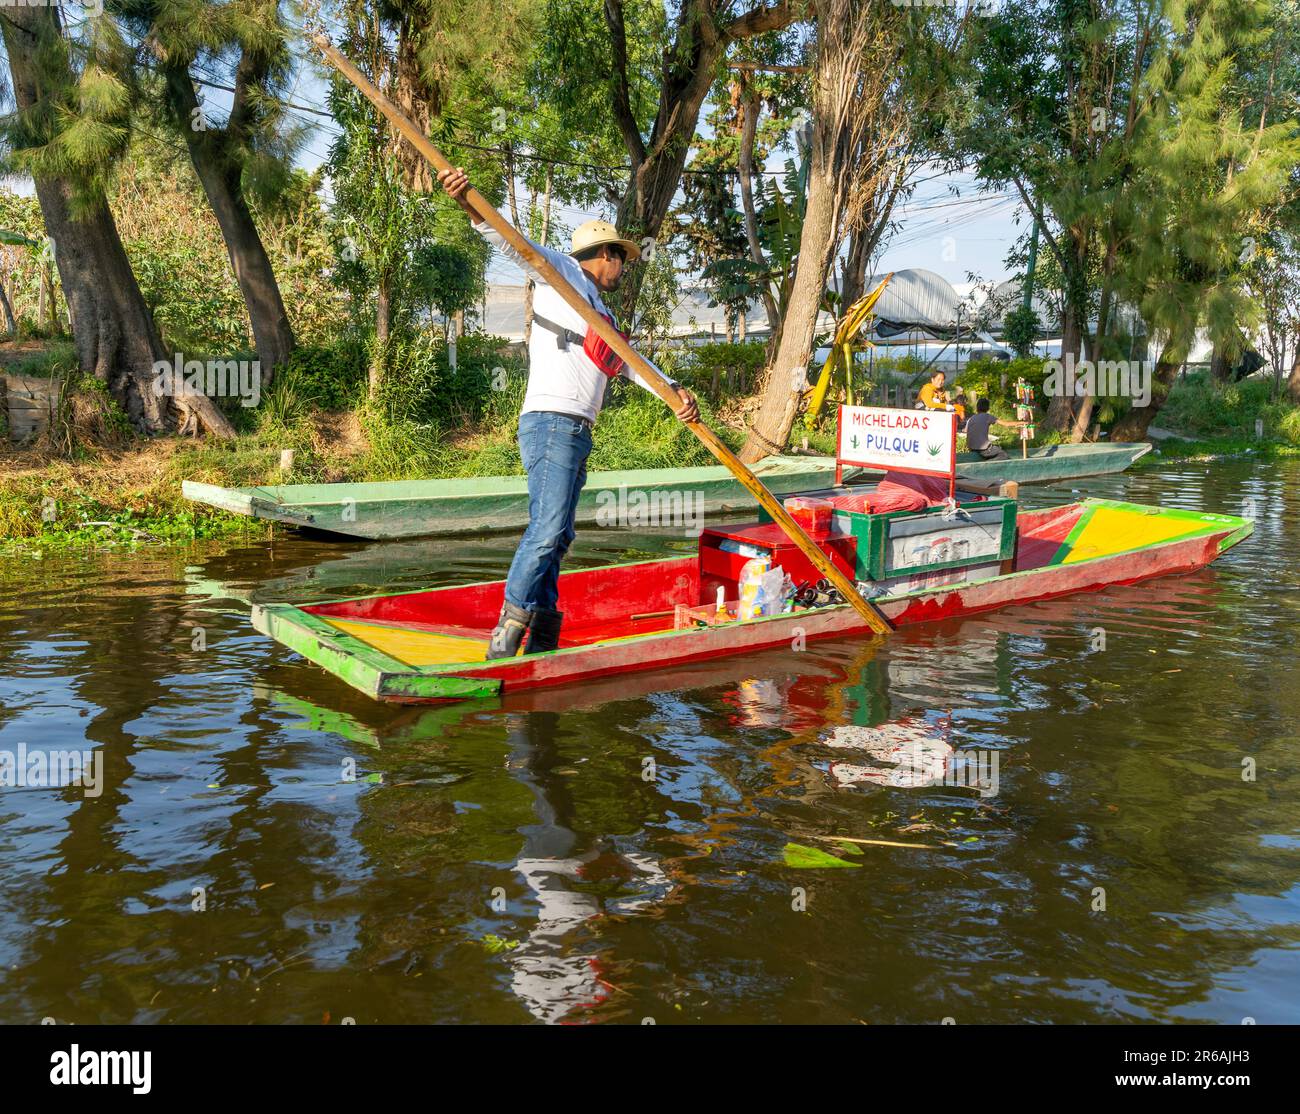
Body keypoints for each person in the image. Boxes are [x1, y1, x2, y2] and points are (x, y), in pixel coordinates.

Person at [438, 166, 699, 659]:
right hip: (551, 424)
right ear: (605, 256)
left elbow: (630, 364)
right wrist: (469, 204)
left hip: (577, 430)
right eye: (621, 259)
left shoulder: (602, 312)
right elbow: (514, 243)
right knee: (549, 529)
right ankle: (507, 632)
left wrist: (675, 393)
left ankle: (543, 635)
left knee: (559, 536)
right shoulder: (562, 276)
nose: (624, 268)